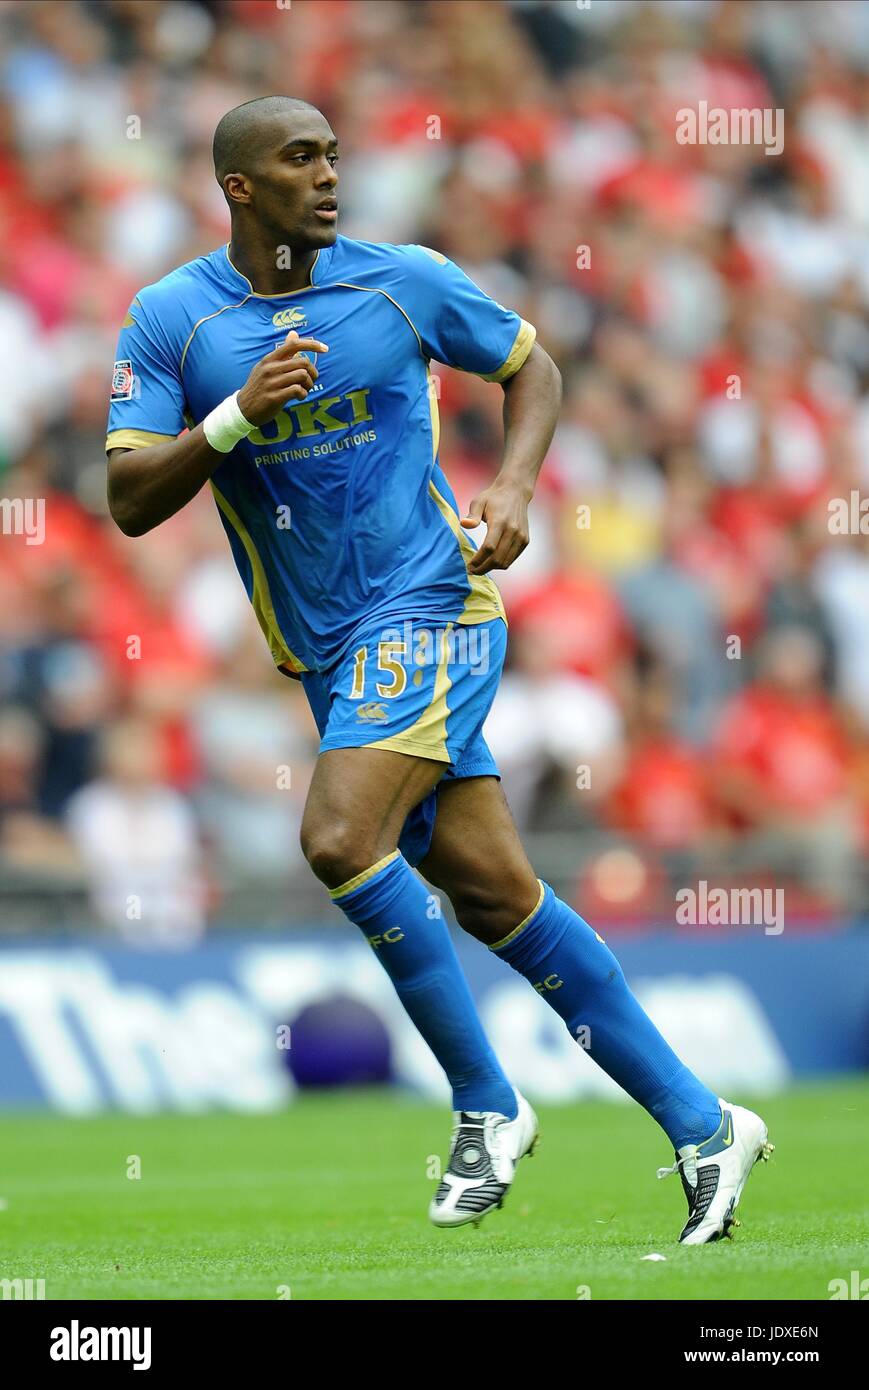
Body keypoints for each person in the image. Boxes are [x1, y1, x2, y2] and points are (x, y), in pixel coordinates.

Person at [105, 95, 772, 1241]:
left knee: (334, 839)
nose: (325, 173)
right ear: (239, 187)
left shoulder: (401, 279)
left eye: (330, 153)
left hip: (432, 605)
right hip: (324, 647)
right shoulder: (171, 320)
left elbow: (534, 367)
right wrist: (233, 419)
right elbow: (127, 499)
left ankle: (483, 1103)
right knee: (494, 893)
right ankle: (703, 1121)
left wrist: (511, 487)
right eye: (297, 158)